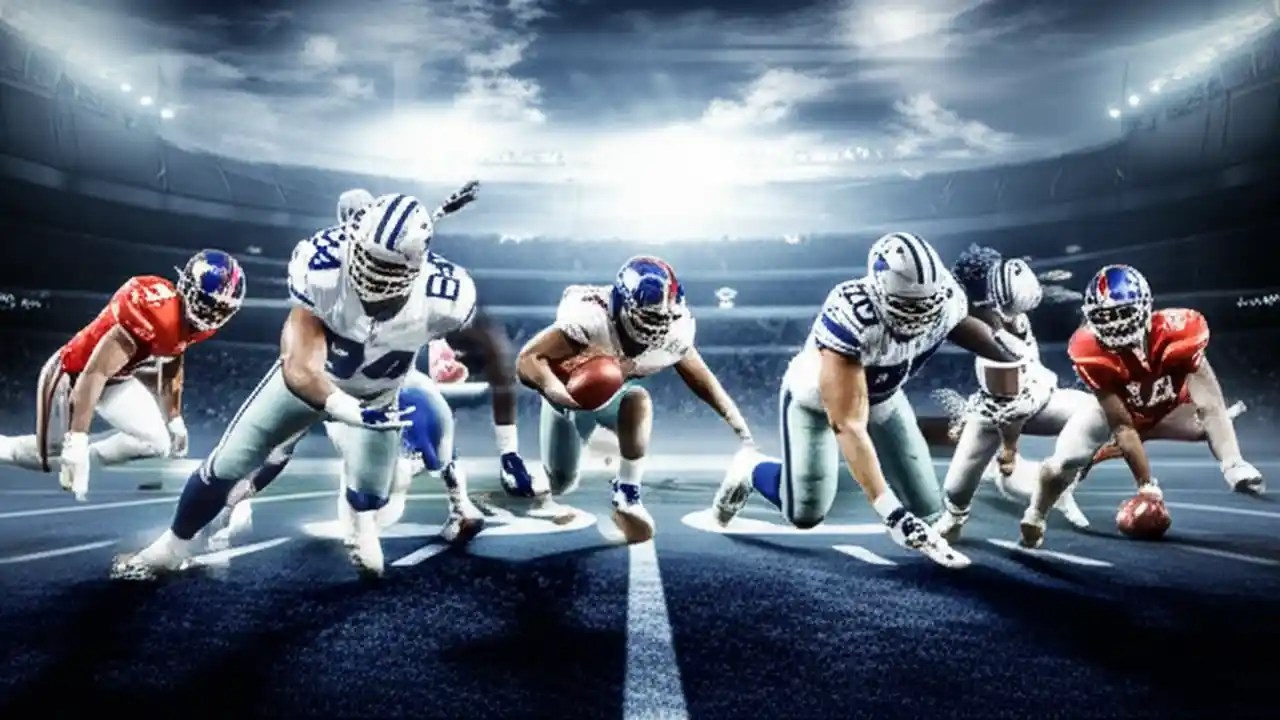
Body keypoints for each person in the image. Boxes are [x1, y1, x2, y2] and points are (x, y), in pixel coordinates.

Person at [111, 185, 479, 580]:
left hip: (376, 395)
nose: (366, 270)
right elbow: (300, 369)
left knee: (372, 498)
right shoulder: (322, 267)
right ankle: (171, 547)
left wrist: (451, 356)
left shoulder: (445, 295)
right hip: (314, 384)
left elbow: (457, 333)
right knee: (231, 461)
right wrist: (346, 408)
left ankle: (363, 516)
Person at [710, 232, 1023, 569]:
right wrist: (890, 512)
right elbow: (848, 424)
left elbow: (957, 324)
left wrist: (1012, 355)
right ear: (878, 289)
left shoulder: (946, 299)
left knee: (931, 512)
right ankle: (750, 468)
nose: (919, 316)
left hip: (885, 396)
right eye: (909, 306)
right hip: (816, 403)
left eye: (927, 306)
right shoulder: (852, 313)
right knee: (805, 512)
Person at [1020, 264, 1263, 548]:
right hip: (1121, 412)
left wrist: (1232, 464)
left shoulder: (1180, 332)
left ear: (1144, 307)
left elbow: (1210, 403)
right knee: (1063, 464)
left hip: (1166, 406)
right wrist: (1146, 485)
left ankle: (1234, 462)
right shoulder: (1090, 351)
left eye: (1122, 314)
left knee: (1203, 425)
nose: (1114, 325)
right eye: (1103, 317)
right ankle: (1036, 513)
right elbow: (1123, 426)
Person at [516, 256, 754, 544]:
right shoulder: (591, 317)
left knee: (638, 400)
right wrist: (558, 393)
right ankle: (551, 473)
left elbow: (700, 378)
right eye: (646, 317)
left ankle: (627, 493)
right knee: (562, 482)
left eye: (661, 319)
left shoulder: (676, 330)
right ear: (621, 304)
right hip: (567, 399)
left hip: (614, 395)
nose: (653, 329)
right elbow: (528, 360)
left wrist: (736, 422)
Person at [0, 250, 245, 499]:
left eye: (221, 310)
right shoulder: (155, 312)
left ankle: (84, 459)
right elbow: (94, 372)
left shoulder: (197, 326)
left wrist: (173, 418)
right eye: (207, 304)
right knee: (48, 456)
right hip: (72, 374)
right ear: (188, 290)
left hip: (117, 378)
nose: (211, 316)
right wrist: (77, 439)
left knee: (156, 442)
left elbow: (174, 355)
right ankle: (4, 448)